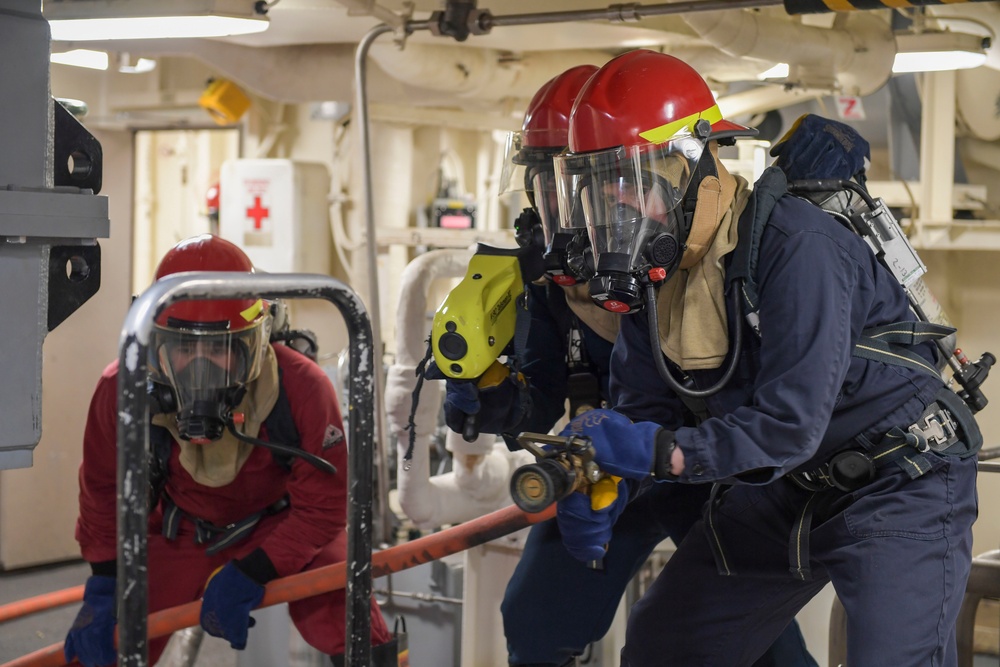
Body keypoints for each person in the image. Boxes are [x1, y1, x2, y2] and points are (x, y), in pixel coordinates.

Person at [551, 49, 981, 666]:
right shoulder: (654, 280)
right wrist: (608, 477)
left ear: (698, 162)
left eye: (636, 182)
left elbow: (788, 425)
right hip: (788, 489)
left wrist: (657, 452)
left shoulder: (800, 245)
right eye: (602, 190)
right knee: (664, 647)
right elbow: (643, 410)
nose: (623, 209)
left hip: (896, 481)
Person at [443, 65, 816, 667]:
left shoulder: (683, 263)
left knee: (751, 641)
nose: (579, 205)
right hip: (605, 468)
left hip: (702, 464)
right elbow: (539, 397)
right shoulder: (552, 285)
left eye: (607, 180)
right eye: (552, 186)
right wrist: (488, 396)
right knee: (537, 615)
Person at [64, 234, 396, 667]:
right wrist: (105, 580)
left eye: (221, 349)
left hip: (285, 523)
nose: (201, 366)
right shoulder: (123, 390)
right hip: (181, 529)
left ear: (256, 343)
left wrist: (255, 569)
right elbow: (102, 490)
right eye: (183, 347)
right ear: (154, 346)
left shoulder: (301, 387)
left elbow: (324, 507)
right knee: (103, 640)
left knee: (347, 609)